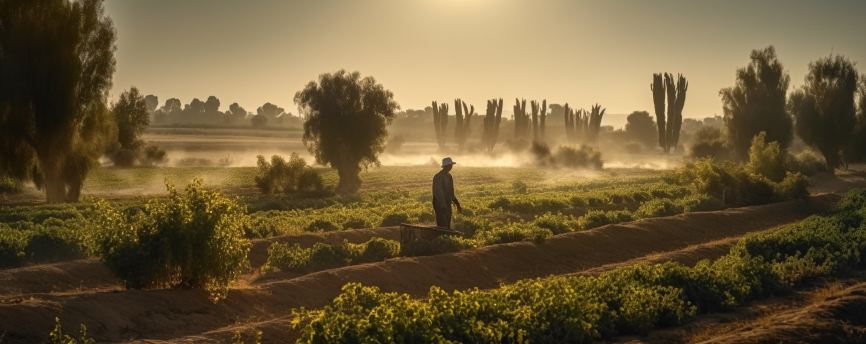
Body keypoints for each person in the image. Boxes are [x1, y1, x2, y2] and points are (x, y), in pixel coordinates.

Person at [432, 157, 462, 229]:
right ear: (445, 166)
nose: (450, 167)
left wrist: (457, 203)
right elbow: (438, 193)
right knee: (442, 223)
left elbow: (451, 192)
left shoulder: (449, 176)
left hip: (447, 202)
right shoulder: (438, 177)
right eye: (449, 165)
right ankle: (442, 238)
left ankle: (447, 236)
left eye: (451, 165)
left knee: (447, 222)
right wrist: (443, 206)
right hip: (439, 204)